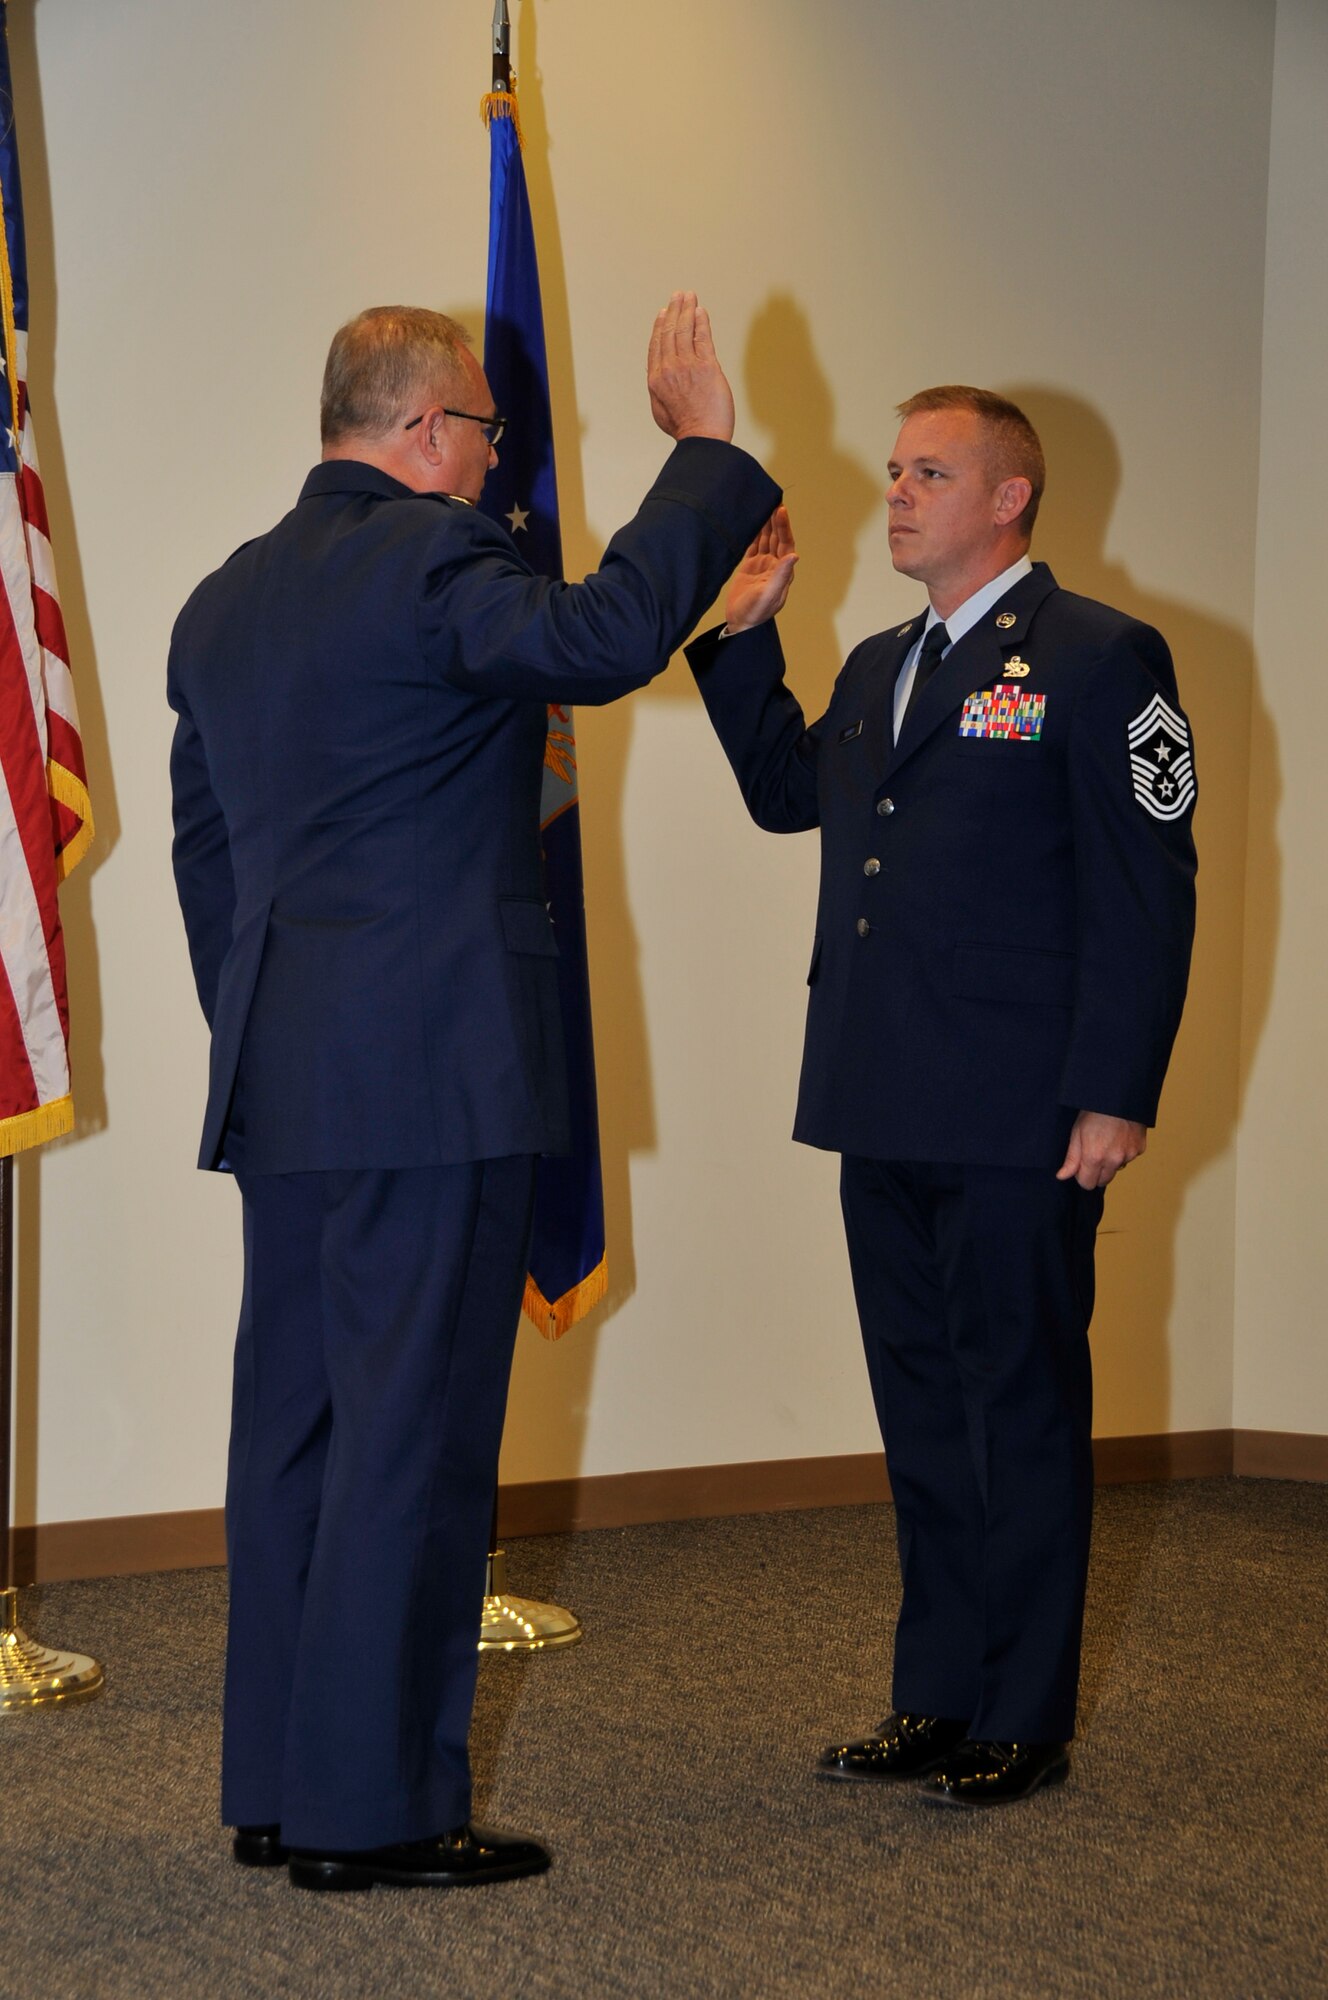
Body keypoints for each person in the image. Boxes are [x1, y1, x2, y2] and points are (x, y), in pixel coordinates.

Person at [169, 296, 780, 1890]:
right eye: (491, 438)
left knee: (294, 1429)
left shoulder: (223, 602)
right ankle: (371, 1815)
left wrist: (275, 1011)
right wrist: (707, 458)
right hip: (430, 1075)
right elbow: (597, 639)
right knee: (414, 1438)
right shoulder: (436, 558)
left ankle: (279, 1784)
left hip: (288, 1072)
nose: (497, 470)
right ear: (432, 430)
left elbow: (206, 851)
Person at [688, 386, 1196, 1806]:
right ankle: (936, 1692)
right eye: (896, 470)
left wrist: (1114, 1091)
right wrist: (743, 631)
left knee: (1020, 1407)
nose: (898, 493)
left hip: (1023, 1109)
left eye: (930, 471)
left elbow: (1149, 892)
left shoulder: (1103, 658)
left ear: (1009, 497)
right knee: (920, 1407)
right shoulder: (878, 664)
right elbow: (793, 792)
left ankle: (1021, 1712)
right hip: (883, 1094)